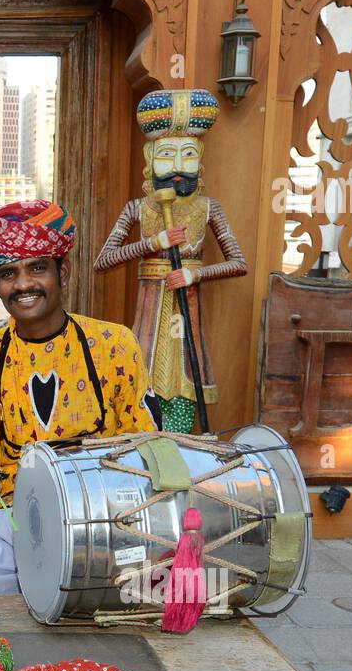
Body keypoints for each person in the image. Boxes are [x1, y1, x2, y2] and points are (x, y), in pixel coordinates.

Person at [0, 200, 160, 594]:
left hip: (104, 519)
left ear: (64, 272)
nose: (23, 285)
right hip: (13, 520)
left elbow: (148, 449)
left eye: (37, 268)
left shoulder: (114, 344)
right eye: (8, 273)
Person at [94, 89, 247, 433]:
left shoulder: (209, 208)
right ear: (150, 160)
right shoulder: (137, 208)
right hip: (150, 312)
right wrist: (153, 243)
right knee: (143, 376)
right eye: (167, 156)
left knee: (185, 378)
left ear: (200, 160)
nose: (177, 167)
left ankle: (178, 442)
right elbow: (103, 261)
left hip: (186, 310)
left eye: (187, 155)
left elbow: (239, 262)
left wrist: (195, 276)